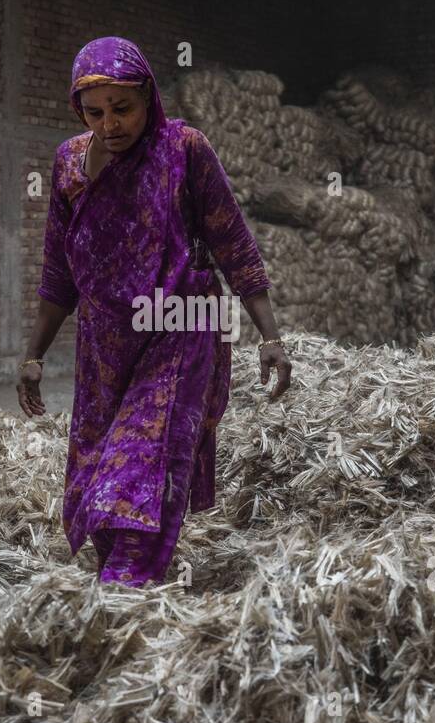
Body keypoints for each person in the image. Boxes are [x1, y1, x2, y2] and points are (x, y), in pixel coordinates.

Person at [18, 36, 291, 588]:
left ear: (149, 98)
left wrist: (270, 337)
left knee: (148, 454)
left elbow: (232, 242)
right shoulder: (70, 164)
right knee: (100, 463)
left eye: (123, 109)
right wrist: (33, 355)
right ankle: (117, 567)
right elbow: (58, 269)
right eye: (94, 112)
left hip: (180, 327)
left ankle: (127, 588)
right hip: (105, 341)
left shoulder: (184, 149)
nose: (110, 124)